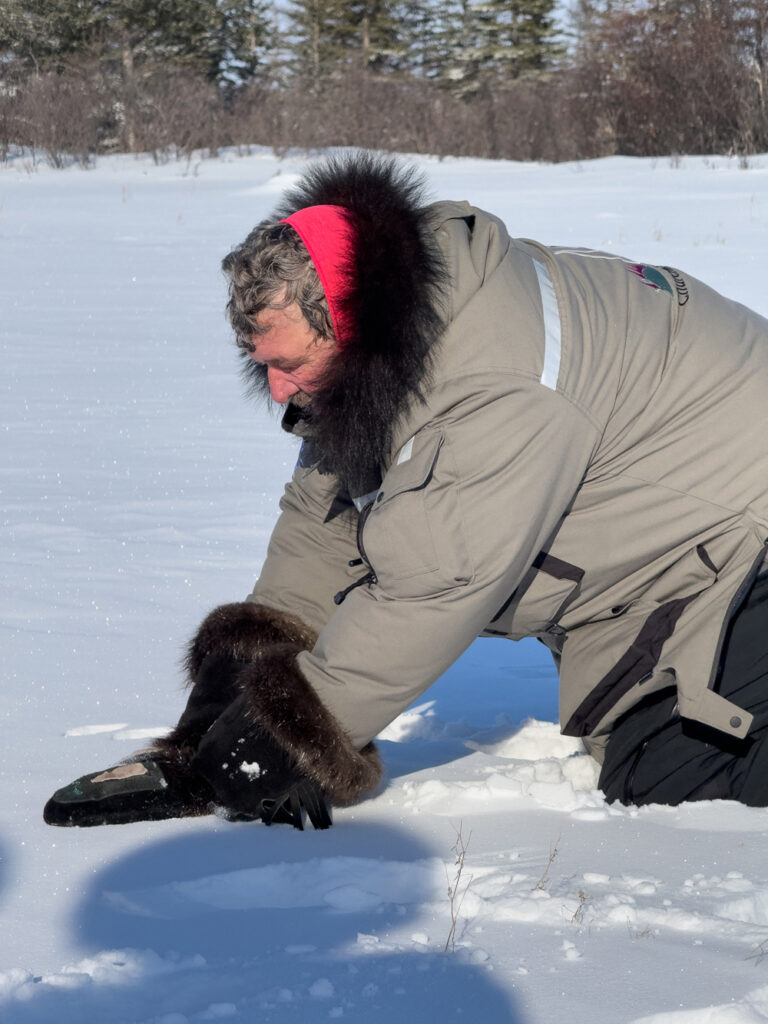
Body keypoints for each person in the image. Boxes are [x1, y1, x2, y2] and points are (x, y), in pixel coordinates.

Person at [45, 152, 768, 831]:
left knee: (676, 767)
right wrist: (226, 701)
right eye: (262, 364)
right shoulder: (392, 334)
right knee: (642, 743)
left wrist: (279, 744)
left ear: (352, 328)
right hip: (665, 540)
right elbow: (325, 522)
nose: (276, 390)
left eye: (289, 363)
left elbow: (436, 583)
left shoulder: (489, 387)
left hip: (740, 531)